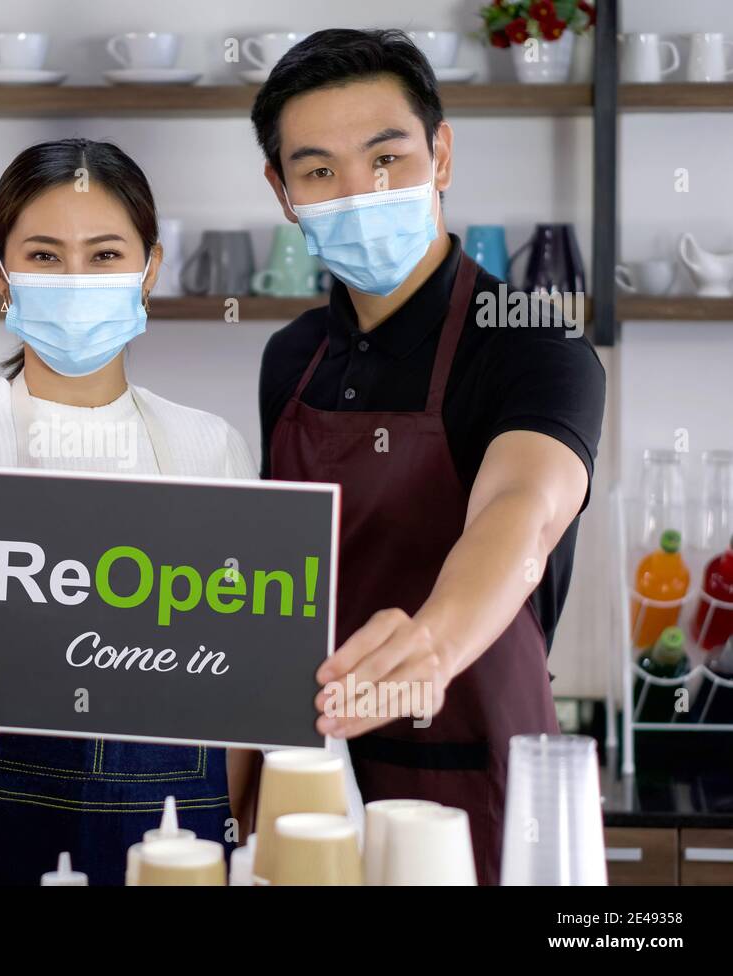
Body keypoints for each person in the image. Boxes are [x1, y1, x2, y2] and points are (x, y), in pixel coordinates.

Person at [247, 29, 606, 883]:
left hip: (474, 781)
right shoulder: (289, 359)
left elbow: (523, 510)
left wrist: (435, 648)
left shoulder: (532, 341)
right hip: (313, 777)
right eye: (319, 171)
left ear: (440, 155)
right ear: (284, 192)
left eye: (387, 157)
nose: (358, 191)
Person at [0, 138, 263, 885]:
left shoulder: (209, 447)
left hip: (178, 832)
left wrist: (232, 831)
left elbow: (242, 685)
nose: (75, 279)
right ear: (0, 272)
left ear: (150, 269)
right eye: (45, 257)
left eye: (106, 255)